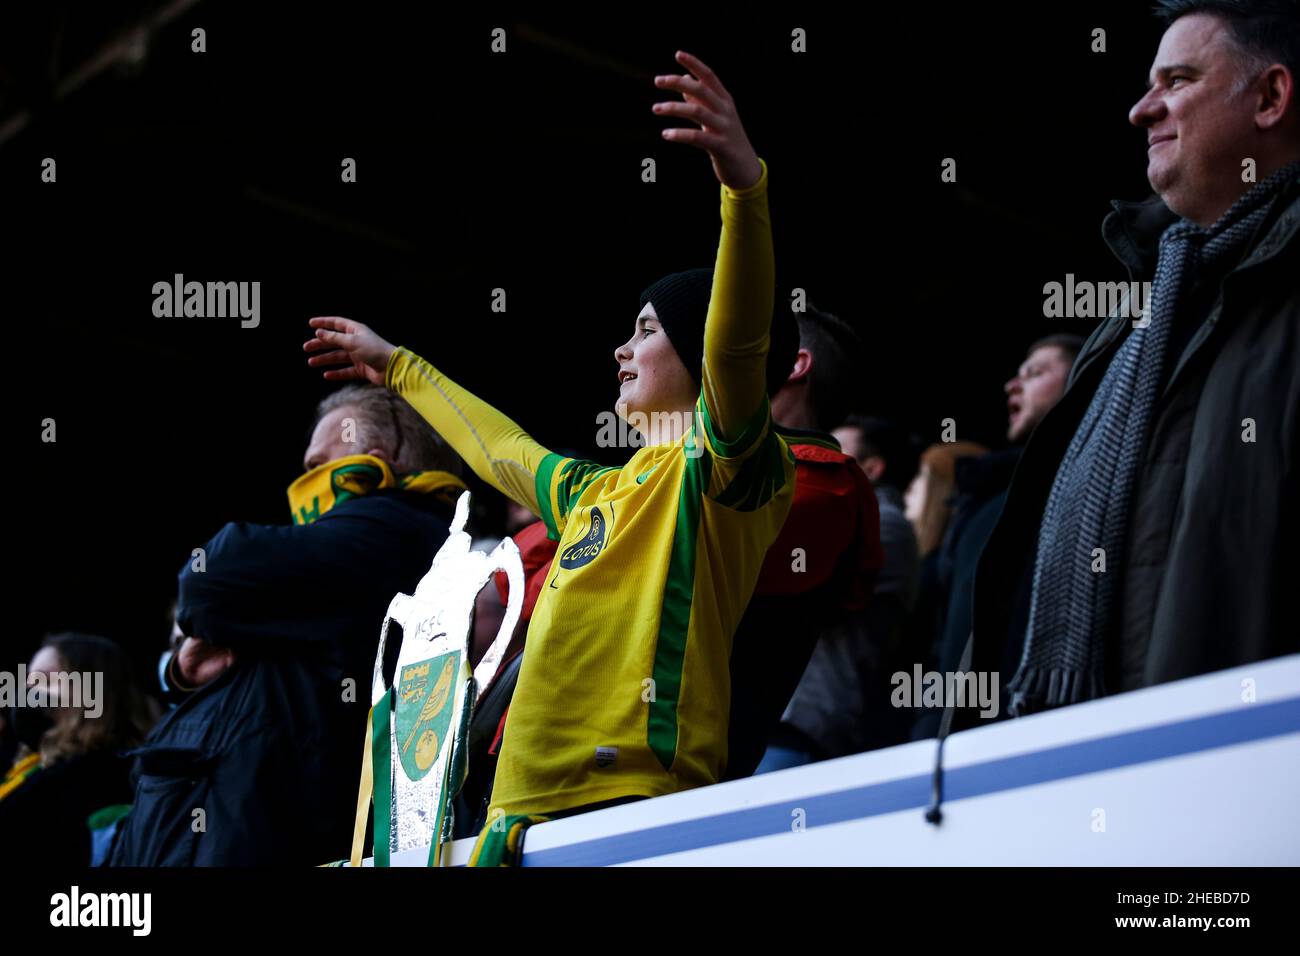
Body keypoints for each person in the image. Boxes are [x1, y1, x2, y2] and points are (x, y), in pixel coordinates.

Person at [304, 50, 796, 864]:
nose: (621, 349)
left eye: (646, 329)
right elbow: (503, 451)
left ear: (698, 345)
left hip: (632, 810)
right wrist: (399, 368)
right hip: (515, 820)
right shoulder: (595, 493)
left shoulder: (725, 468)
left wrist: (744, 192)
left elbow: (739, 345)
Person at [963, 0, 1300, 730]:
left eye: (1176, 80)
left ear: (1271, 98)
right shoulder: (1129, 322)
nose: (1140, 110)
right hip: (1077, 764)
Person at [109, 385, 465, 865]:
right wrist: (183, 674)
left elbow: (208, 577)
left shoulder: (390, 525)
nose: (306, 476)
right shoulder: (346, 562)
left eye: (319, 464)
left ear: (376, 461)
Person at [911, 335, 1081, 739]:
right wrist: (928, 726)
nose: (1012, 384)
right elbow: (944, 639)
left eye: (1036, 373)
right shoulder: (981, 504)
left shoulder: (1087, 486)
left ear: (1083, 378)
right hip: (952, 742)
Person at [755, 414, 916, 768]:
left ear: (872, 469)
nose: (819, 459)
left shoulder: (886, 523)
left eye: (836, 451)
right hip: (787, 718)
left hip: (809, 721)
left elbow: (804, 594)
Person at [0, 633, 158, 866]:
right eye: (28, 682)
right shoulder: (29, 771)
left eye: (44, 682)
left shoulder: (101, 780)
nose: (26, 694)